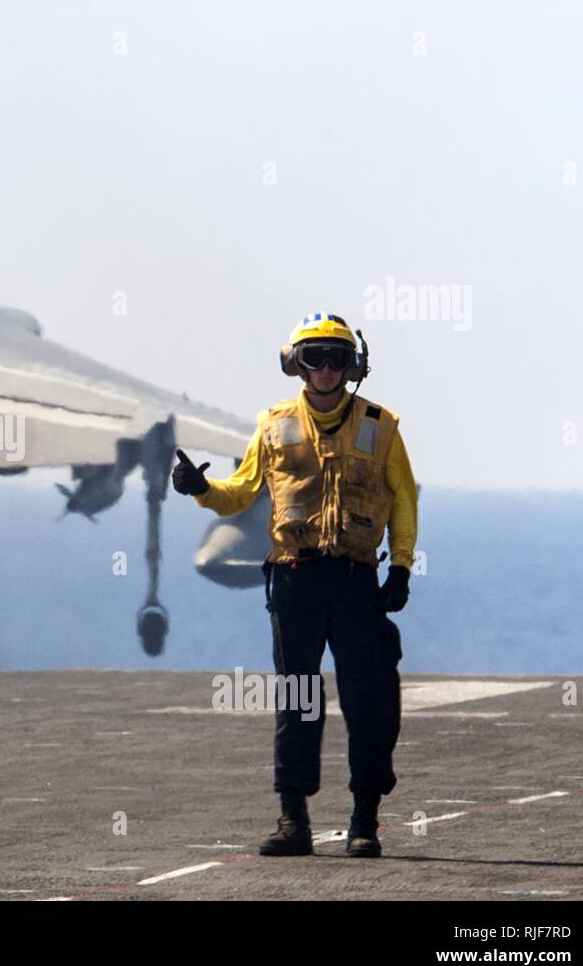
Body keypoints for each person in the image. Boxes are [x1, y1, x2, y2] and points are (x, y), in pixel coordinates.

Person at [172, 313, 417, 857]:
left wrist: (401, 565)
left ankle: (364, 821)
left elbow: (403, 501)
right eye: (314, 357)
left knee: (368, 700)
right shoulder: (273, 424)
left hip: (356, 579)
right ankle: (293, 821)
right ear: (295, 363)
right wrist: (201, 489)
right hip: (294, 578)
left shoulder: (383, 427)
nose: (325, 369)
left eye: (335, 357)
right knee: (297, 699)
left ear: (352, 365)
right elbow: (240, 492)